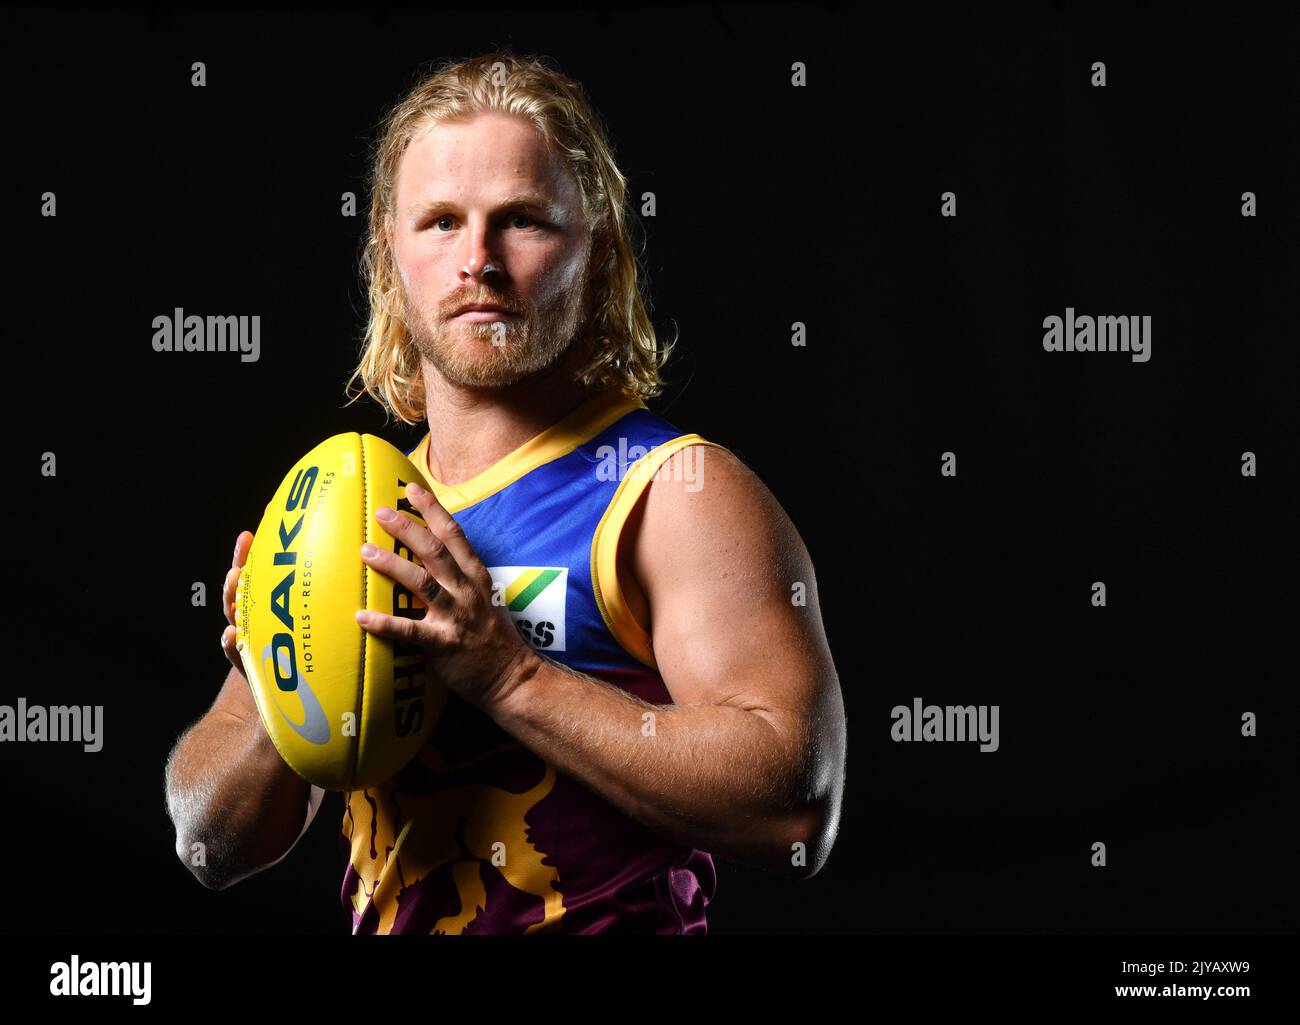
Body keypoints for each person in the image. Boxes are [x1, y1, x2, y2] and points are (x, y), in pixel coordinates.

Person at [165, 51, 846, 934]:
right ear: (387, 251)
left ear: (596, 248)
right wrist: (279, 672)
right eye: (441, 222)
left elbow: (797, 808)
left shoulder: (672, 492)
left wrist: (510, 673)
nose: (477, 260)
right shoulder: (344, 511)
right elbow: (209, 846)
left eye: (522, 221)